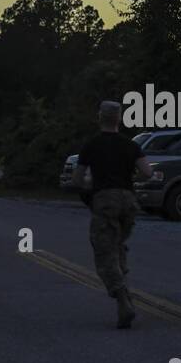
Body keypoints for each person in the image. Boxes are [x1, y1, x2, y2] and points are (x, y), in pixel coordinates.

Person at [72, 101, 152, 328]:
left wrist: (90, 183)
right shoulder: (130, 145)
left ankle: (122, 297)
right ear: (120, 119)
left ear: (100, 118)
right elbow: (147, 172)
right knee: (117, 246)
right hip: (128, 201)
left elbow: (77, 180)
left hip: (105, 200)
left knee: (104, 251)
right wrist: (129, 179)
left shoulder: (92, 145)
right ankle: (123, 296)